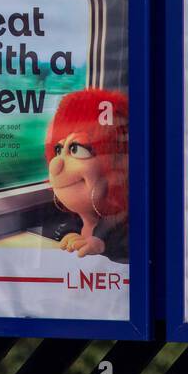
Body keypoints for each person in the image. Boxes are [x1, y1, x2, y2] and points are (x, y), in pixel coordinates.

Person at [44, 87, 128, 262]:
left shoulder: (127, 228)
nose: (55, 165)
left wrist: (103, 246)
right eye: (58, 150)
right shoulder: (73, 220)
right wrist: (69, 235)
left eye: (75, 149)